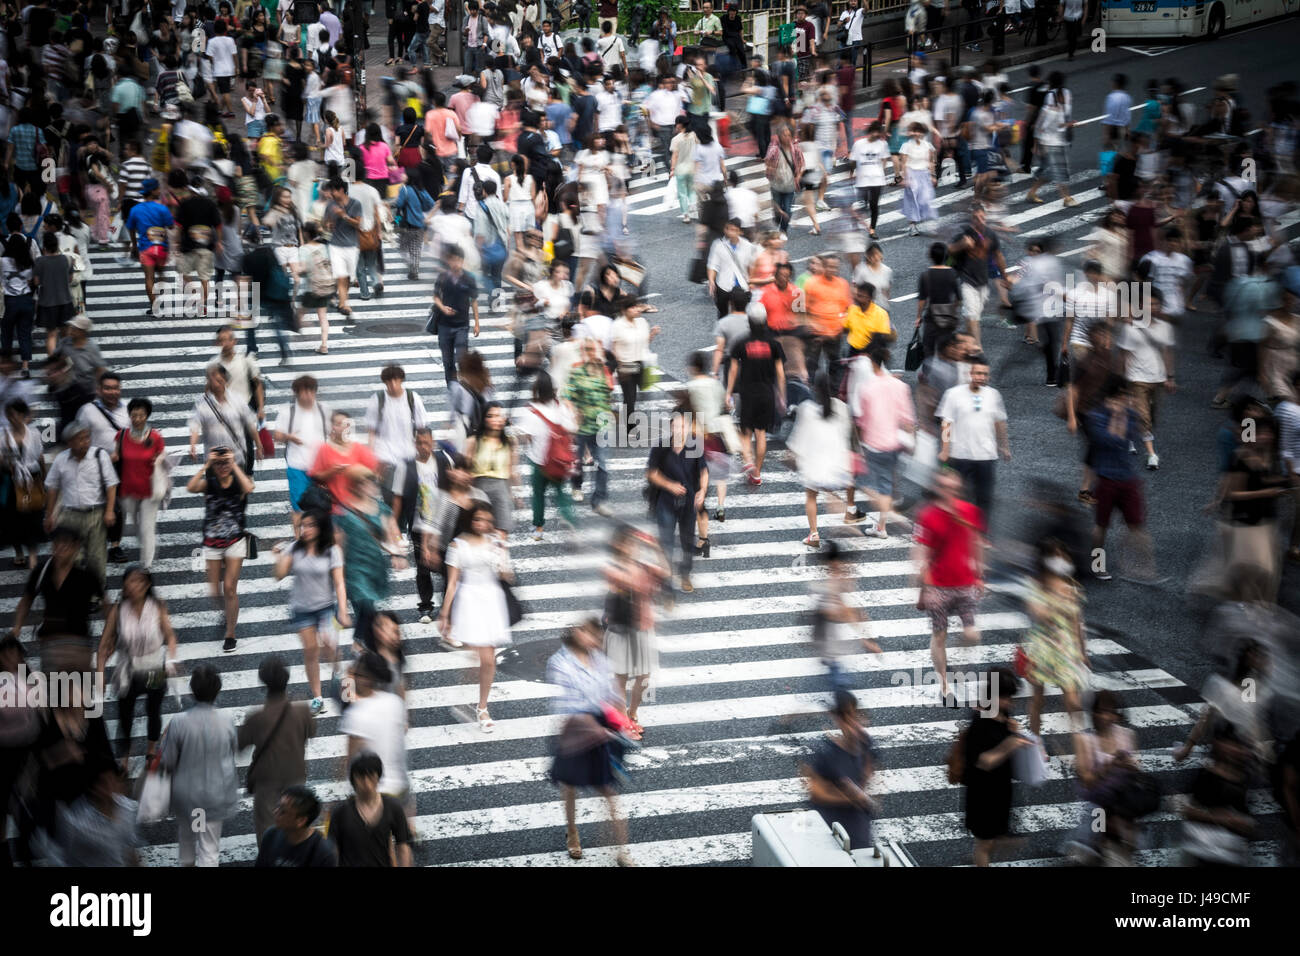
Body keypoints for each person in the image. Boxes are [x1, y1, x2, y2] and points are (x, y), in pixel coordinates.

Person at [546, 618, 633, 864]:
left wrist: (623, 724)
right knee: (570, 786)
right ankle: (572, 831)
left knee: (607, 788)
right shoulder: (561, 663)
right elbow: (569, 707)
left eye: (597, 636)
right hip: (574, 731)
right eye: (592, 635)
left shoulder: (601, 661)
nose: (596, 640)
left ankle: (622, 850)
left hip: (601, 728)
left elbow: (615, 695)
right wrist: (597, 729)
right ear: (578, 633)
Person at [439, 502, 514, 733]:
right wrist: (445, 613)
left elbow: (507, 576)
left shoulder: (495, 542)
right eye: (478, 519)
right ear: (470, 520)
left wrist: (502, 552)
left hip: (492, 600)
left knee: (487, 659)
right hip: (470, 602)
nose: (483, 524)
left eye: (487, 520)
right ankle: (473, 702)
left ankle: (481, 706)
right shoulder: (457, 545)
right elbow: (452, 583)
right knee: (480, 657)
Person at [95, 565, 177, 772]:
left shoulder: (157, 606)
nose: (135, 586)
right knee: (125, 716)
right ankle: (125, 758)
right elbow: (104, 644)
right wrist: (99, 672)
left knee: (153, 711)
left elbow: (170, 636)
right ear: (124, 584)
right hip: (128, 670)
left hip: (154, 668)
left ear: (148, 584)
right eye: (131, 581)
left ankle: (150, 751)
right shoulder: (118, 610)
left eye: (140, 581)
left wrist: (171, 661)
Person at [914, 468, 985, 703]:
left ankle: (953, 661)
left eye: (953, 487)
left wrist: (979, 575)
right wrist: (926, 588)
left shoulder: (969, 512)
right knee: (939, 635)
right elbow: (920, 555)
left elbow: (976, 543)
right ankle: (944, 684)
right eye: (945, 487)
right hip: (939, 587)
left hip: (965, 584)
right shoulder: (928, 516)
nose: (949, 491)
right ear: (937, 488)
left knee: (972, 635)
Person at [160, 665, 239, 867]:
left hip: (188, 796)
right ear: (217, 691)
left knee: (187, 842)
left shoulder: (178, 722)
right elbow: (232, 751)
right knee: (209, 848)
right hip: (214, 795)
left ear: (193, 690)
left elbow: (167, 761)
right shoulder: (227, 719)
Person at [1084, 381, 1162, 583]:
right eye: (1121, 398)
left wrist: (1123, 415)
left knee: (1137, 525)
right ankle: (1097, 565)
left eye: (1127, 397)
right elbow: (1110, 440)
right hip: (1105, 480)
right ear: (1108, 399)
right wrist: (1118, 416)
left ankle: (1147, 570)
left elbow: (1129, 436)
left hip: (1128, 478)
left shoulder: (1131, 416)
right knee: (1101, 526)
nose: (1127, 401)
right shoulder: (1095, 418)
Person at [275, 511, 350, 713]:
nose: (305, 530)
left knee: (329, 644)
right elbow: (279, 576)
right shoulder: (294, 548)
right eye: (302, 525)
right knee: (310, 651)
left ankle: (336, 668)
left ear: (320, 528)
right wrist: (278, 557)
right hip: (302, 609)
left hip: (327, 607)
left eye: (310, 525)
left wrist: (342, 610)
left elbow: (340, 583)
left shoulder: (331, 550)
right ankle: (317, 697)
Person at [237, 655, 317, 842]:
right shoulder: (302, 710)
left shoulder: (257, 717)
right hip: (296, 774)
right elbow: (311, 732)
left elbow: (240, 745)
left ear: (263, 681)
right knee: (297, 824)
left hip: (267, 780)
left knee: (267, 829)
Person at [847, 338, 916, 539]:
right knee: (886, 484)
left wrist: (858, 444)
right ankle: (882, 525)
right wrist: (912, 441)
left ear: (872, 363)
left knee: (867, 484)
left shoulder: (867, 388)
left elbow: (861, 421)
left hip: (873, 444)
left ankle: (888, 520)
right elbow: (908, 418)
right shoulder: (900, 386)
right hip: (894, 443)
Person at [960, 668, 1030, 866]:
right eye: (1005, 697)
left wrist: (1016, 736)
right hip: (982, 794)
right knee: (983, 844)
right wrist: (1008, 745)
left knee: (990, 840)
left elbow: (1007, 734)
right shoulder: (979, 722)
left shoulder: (1003, 712)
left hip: (1000, 789)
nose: (1010, 702)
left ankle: (990, 851)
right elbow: (983, 761)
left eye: (1011, 697)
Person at [186, 445, 251, 645]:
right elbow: (190, 487)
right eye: (219, 463)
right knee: (215, 591)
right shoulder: (209, 484)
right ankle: (227, 612)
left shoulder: (238, 483)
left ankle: (230, 634)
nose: (222, 467)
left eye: (226, 463)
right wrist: (207, 463)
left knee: (229, 588)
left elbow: (249, 487)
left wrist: (234, 463)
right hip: (212, 542)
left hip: (235, 540)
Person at [337, 469, 407, 651]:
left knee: (364, 610)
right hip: (353, 568)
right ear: (355, 486)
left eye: (370, 482)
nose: (369, 487)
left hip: (374, 566)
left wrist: (397, 553)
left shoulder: (381, 509)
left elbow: (394, 533)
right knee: (367, 605)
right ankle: (358, 642)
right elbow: (337, 542)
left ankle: (367, 649)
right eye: (364, 483)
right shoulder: (344, 511)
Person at [43, 421, 117, 593]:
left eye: (86, 437)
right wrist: (49, 515)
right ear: (69, 442)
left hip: (95, 514)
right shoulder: (61, 460)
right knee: (71, 557)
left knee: (96, 557)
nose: (85, 442)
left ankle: (96, 594)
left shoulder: (100, 456)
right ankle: (73, 591)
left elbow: (111, 485)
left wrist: (109, 511)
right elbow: (52, 488)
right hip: (69, 516)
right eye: (80, 439)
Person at [801, 690, 877, 850]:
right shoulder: (825, 752)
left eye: (854, 716)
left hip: (857, 823)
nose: (852, 723)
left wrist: (860, 791)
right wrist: (851, 799)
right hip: (829, 824)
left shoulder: (865, 743)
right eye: (845, 717)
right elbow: (817, 793)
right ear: (838, 719)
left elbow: (868, 771)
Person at [936, 359, 1010, 521]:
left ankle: (981, 533)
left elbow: (999, 422)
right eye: (978, 373)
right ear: (970, 374)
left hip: (986, 455)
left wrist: (1004, 446)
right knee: (959, 495)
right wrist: (945, 449)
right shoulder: (954, 394)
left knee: (984, 497)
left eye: (985, 374)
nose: (981, 377)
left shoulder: (993, 395)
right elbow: (946, 423)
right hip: (960, 454)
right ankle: (957, 528)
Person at [788, 370, 853, 549]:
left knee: (811, 496)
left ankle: (814, 533)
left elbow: (799, 436)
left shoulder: (808, 408)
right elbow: (846, 433)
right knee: (831, 494)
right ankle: (842, 526)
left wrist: (794, 455)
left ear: (814, 388)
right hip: (835, 458)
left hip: (815, 460)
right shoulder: (840, 407)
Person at [341, 652, 411, 816]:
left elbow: (350, 761)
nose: (352, 678)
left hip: (374, 791)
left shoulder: (357, 715)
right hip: (400, 785)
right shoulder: (395, 702)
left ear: (367, 679)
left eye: (356, 674)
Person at [646, 412, 706, 600]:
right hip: (666, 502)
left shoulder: (695, 446)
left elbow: (704, 471)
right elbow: (651, 473)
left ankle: (685, 574)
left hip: (688, 503)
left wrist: (702, 491)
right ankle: (667, 582)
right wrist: (669, 485)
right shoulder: (661, 447)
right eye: (676, 426)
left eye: (683, 427)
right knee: (666, 543)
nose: (679, 430)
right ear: (671, 428)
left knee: (687, 541)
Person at [726, 303, 786, 485]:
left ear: (749, 322)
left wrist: (728, 393)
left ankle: (748, 461)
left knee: (746, 431)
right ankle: (757, 473)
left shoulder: (741, 343)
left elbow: (733, 371)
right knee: (761, 433)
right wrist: (782, 396)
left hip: (748, 393)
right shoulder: (774, 344)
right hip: (767, 393)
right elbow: (781, 374)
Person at [515, 372, 578, 542]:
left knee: (538, 494)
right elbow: (573, 428)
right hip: (559, 460)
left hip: (539, 461)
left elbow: (525, 437)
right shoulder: (561, 407)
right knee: (560, 492)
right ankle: (569, 521)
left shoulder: (531, 412)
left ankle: (539, 528)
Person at [329, 751, 414, 866]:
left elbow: (403, 846)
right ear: (353, 780)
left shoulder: (393, 807)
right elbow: (333, 851)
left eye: (371, 777)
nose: (366, 784)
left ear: (378, 777)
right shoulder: (340, 812)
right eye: (360, 778)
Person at [561, 338, 615, 516]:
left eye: (595, 350)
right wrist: (573, 411)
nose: (593, 353)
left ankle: (599, 501)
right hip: (582, 427)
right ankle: (577, 486)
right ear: (584, 352)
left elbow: (608, 394)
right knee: (577, 462)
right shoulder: (577, 372)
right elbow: (566, 394)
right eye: (589, 350)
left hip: (601, 427)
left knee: (603, 466)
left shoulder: (604, 371)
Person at [274, 376, 329, 537]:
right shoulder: (288, 412)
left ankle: (320, 538)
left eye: (311, 391)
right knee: (298, 506)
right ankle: (299, 539)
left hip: (320, 467)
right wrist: (289, 437)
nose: (307, 395)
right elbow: (277, 435)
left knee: (323, 504)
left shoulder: (323, 410)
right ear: (296, 393)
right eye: (303, 391)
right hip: (297, 466)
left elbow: (333, 433)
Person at [2, 399, 46, 569]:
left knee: (33, 517)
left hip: (32, 479)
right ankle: (19, 551)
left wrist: (43, 477)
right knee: (13, 519)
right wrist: (6, 461)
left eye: (19, 413)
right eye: (11, 414)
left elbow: (40, 456)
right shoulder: (3, 436)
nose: (15, 417)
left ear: (24, 414)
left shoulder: (33, 433)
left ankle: (33, 555)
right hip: (12, 482)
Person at [431, 245, 482, 387]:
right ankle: (452, 387)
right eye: (453, 260)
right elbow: (435, 297)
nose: (456, 263)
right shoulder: (442, 277)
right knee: (447, 360)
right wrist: (443, 308)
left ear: (462, 261)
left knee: (462, 357)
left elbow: (474, 301)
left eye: (459, 260)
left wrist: (477, 323)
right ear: (448, 261)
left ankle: (464, 385)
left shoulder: (469, 279)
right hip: (444, 325)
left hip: (462, 325)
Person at [255, 786, 338, 866]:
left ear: (301, 821)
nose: (275, 812)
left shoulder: (323, 853)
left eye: (283, 811)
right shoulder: (271, 835)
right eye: (278, 806)